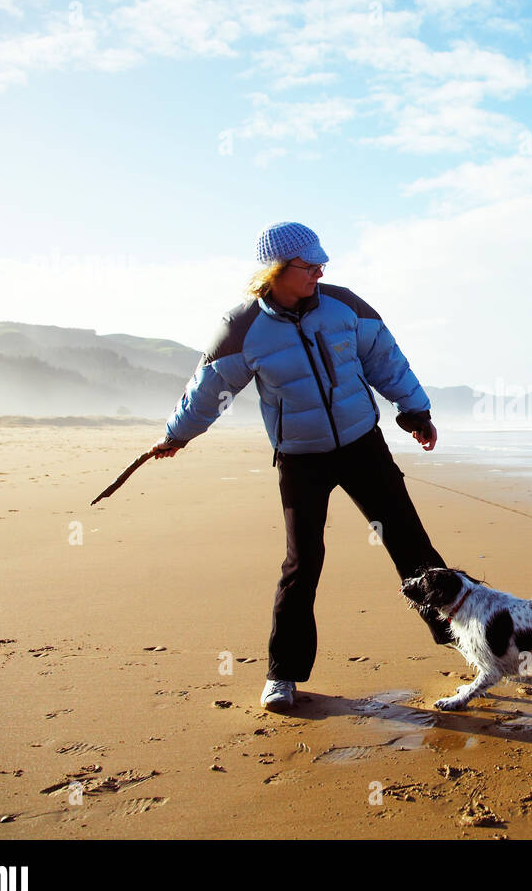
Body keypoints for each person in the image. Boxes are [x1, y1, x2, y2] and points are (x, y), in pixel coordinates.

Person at [152, 221, 454, 713]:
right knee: (302, 563)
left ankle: (464, 640)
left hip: (363, 445)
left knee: (409, 543)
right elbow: (209, 388)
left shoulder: (345, 306)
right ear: (276, 271)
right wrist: (178, 434)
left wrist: (414, 410)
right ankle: (283, 675)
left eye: (321, 264)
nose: (320, 271)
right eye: (309, 266)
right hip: (300, 458)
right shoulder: (242, 327)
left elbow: (386, 362)